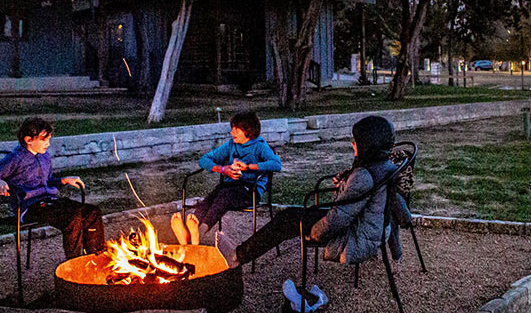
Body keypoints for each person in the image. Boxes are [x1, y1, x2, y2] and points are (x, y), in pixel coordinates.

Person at [217, 115, 410, 269]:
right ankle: (240, 253)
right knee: (290, 216)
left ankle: (236, 256)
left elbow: (339, 217)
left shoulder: (364, 175)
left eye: (356, 141)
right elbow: (397, 205)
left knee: (286, 220)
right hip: (366, 228)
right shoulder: (386, 166)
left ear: (368, 144)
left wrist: (316, 235)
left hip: (352, 233)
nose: (352, 144)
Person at [0, 117, 105, 259]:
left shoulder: (44, 157)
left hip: (50, 202)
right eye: (44, 140)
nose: (48, 144)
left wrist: (63, 180)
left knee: (92, 212)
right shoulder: (16, 158)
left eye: (49, 139)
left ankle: (95, 257)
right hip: (30, 207)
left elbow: (49, 182)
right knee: (72, 217)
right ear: (29, 140)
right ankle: (74, 263)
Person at [172, 110, 281, 246]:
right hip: (228, 186)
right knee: (209, 200)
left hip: (249, 191)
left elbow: (276, 164)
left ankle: (199, 233)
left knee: (224, 196)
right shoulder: (231, 145)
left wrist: (248, 167)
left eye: (236, 129)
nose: (232, 132)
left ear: (248, 130)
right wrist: (223, 169)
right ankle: (189, 233)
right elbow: (204, 159)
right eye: (232, 129)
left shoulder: (260, 146)